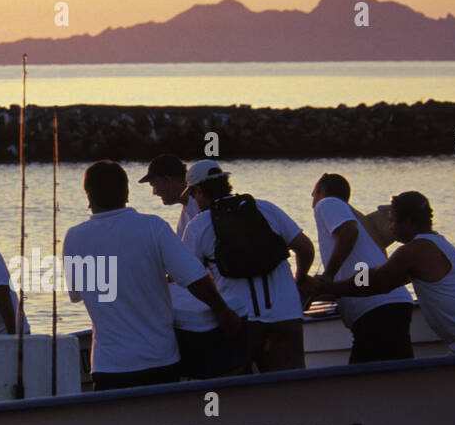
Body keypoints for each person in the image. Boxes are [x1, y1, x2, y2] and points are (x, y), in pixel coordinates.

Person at [62, 160, 240, 390]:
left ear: (88, 195)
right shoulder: (153, 227)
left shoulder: (73, 237)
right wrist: (223, 312)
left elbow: (76, 295)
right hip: (160, 362)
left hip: (108, 367)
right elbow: (195, 279)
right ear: (126, 192)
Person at [314, 190, 455, 353]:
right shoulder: (438, 243)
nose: (390, 228)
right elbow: (382, 276)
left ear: (408, 222)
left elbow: (373, 282)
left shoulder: (414, 250)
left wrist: (327, 286)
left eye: (393, 221)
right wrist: (331, 289)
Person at [181, 160, 315, 372]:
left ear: (198, 190)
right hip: (286, 314)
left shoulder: (197, 226)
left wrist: (220, 310)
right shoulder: (266, 208)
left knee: (238, 388)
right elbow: (306, 248)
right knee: (291, 386)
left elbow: (189, 278)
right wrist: (300, 280)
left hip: (239, 321)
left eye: (192, 194)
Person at [140, 154, 237, 378]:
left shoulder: (198, 208)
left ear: (168, 180)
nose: (154, 192)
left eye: (154, 184)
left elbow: (188, 270)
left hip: (217, 297)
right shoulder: (187, 212)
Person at [306, 173, 414, 362]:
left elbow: (349, 231)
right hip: (393, 302)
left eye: (313, 194)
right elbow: (353, 280)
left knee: (361, 375)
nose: (312, 201)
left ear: (322, 191)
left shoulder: (327, 203)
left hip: (374, 308)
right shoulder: (349, 219)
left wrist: (328, 275)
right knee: (398, 371)